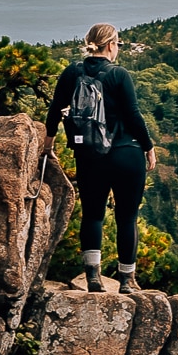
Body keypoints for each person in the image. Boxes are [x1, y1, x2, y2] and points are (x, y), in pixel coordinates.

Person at [43, 22, 157, 292]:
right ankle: (127, 280)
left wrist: (48, 143)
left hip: (90, 154)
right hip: (126, 153)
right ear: (111, 45)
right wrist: (148, 147)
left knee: (93, 215)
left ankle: (93, 277)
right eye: (118, 44)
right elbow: (133, 115)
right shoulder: (119, 75)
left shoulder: (73, 72)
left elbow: (55, 109)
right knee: (126, 217)